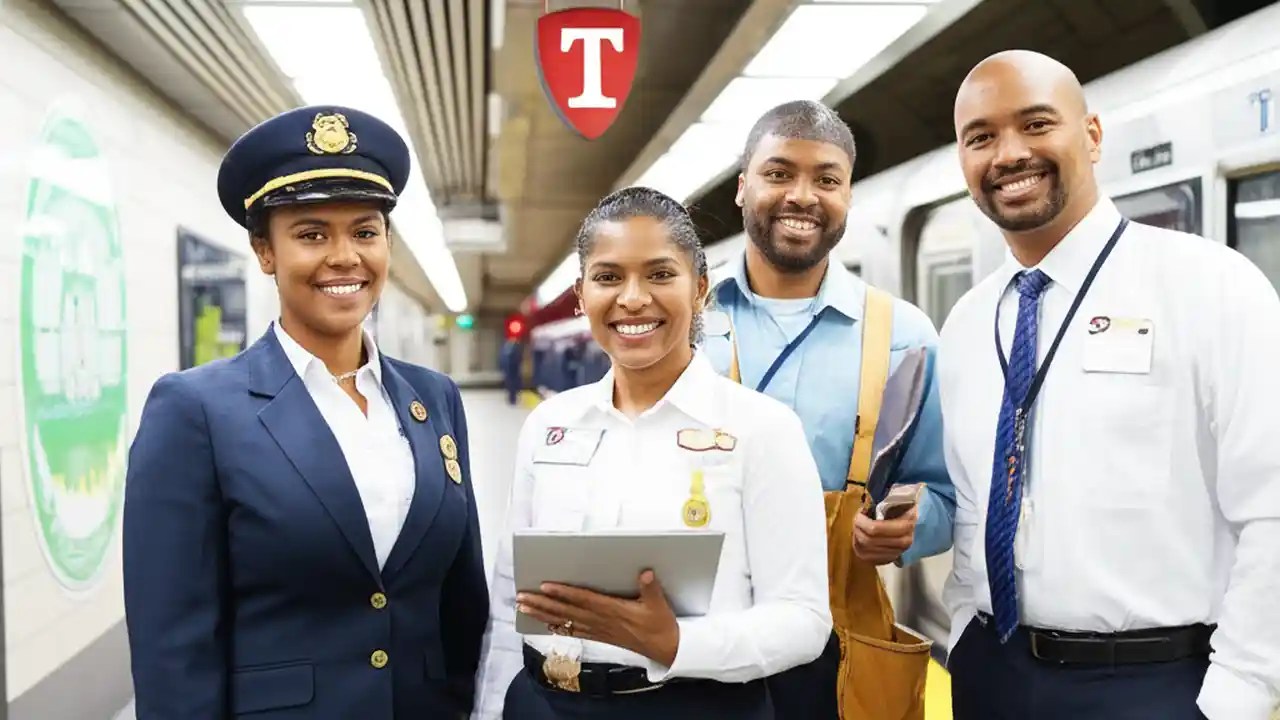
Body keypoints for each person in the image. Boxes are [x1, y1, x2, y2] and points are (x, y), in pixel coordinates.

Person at [939, 50, 1280, 720]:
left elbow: (1272, 504)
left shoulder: (1211, 284)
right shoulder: (969, 320)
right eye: (981, 137)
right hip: (991, 675)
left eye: (1036, 124)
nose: (1009, 154)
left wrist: (1239, 694)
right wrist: (962, 635)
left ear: (1092, 136)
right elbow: (974, 500)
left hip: (1156, 684)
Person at [122, 105, 489, 719]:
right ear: (265, 252)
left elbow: (461, 598)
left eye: (365, 232)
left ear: (387, 244)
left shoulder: (435, 398)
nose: (344, 256)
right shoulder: (196, 412)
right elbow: (172, 644)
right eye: (312, 234)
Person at [470, 186, 832, 719]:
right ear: (581, 293)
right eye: (608, 276)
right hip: (542, 704)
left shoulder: (763, 430)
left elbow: (803, 620)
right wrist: (491, 711)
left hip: (693, 705)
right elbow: (509, 602)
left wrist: (676, 644)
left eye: (660, 274)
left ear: (700, 289)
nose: (632, 297)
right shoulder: (550, 425)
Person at [699, 99, 957, 719]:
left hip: (840, 655)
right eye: (779, 173)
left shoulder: (905, 334)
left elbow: (948, 495)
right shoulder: (685, 315)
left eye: (826, 179)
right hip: (696, 645)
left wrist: (911, 527)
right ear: (742, 188)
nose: (802, 195)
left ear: (848, 195)